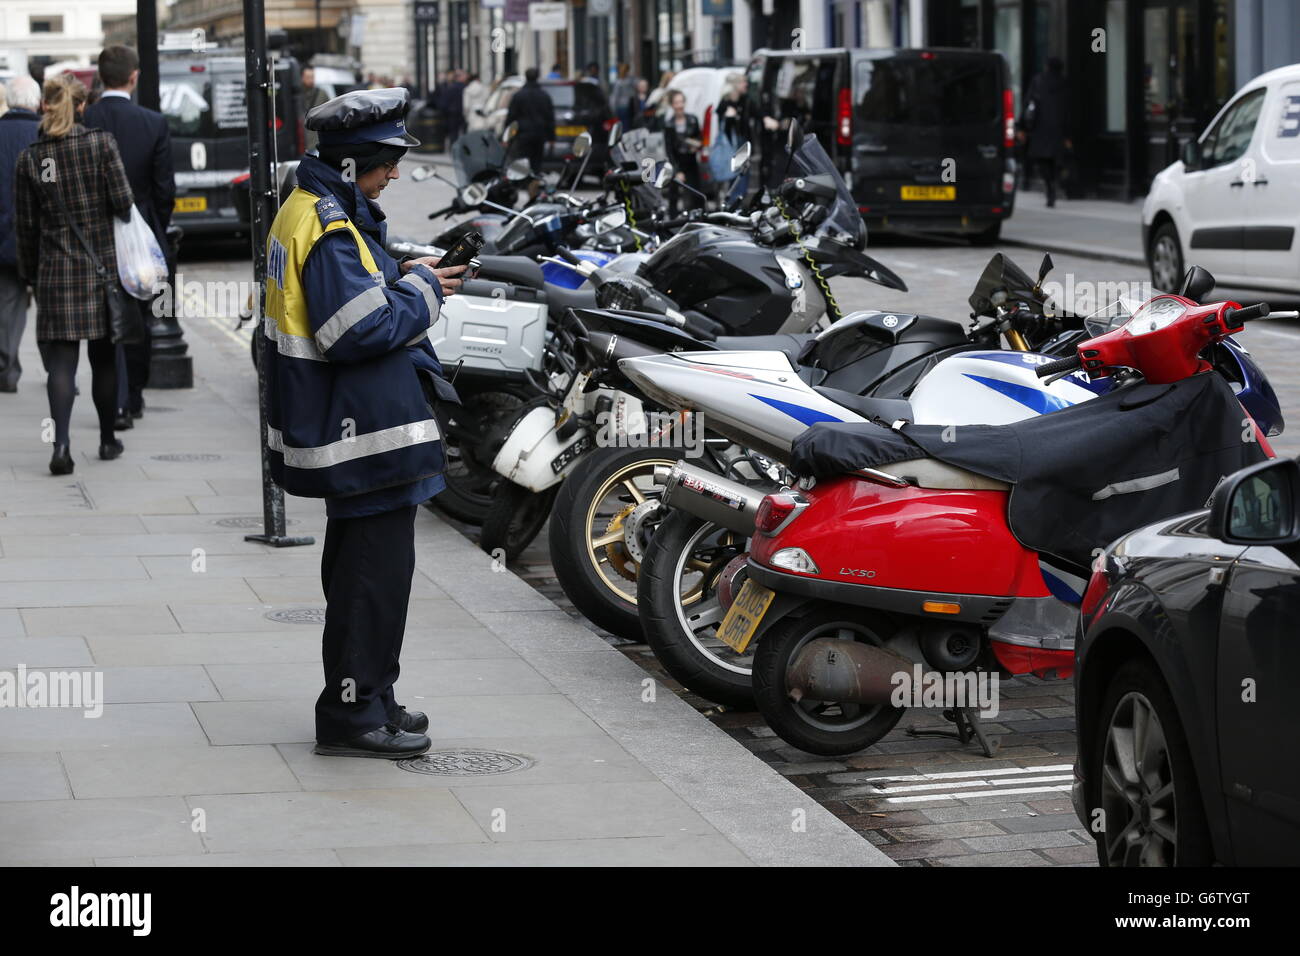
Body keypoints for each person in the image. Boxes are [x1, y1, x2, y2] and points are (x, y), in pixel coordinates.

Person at [265, 88, 466, 758]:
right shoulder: (323, 222)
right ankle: (351, 715)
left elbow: (352, 293)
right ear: (354, 165)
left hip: (355, 433)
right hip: (360, 437)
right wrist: (423, 290)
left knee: (371, 575)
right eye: (387, 163)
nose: (395, 175)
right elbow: (355, 329)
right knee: (369, 582)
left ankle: (373, 695)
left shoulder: (317, 209)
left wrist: (395, 270)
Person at [15, 75, 134, 473]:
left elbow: (26, 227)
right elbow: (122, 203)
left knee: (61, 366)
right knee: (104, 360)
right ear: (83, 106)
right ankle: (106, 439)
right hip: (100, 271)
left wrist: (31, 276)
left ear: (43, 107)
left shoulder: (31, 158)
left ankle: (61, 447)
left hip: (55, 274)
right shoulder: (101, 144)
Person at [83, 45, 175, 429]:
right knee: (140, 314)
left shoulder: (84, 119)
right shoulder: (153, 123)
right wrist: (153, 226)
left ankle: (113, 401)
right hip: (142, 232)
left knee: (101, 319)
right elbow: (165, 190)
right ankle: (133, 397)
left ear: (101, 77)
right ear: (134, 77)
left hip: (92, 236)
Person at [0, 77, 40, 393]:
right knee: (52, 309)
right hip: (43, 239)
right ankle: (59, 369)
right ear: (37, 102)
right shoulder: (46, 136)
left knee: (8, 307)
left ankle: (6, 371)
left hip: (3, 238)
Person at [1022, 57, 1071, 208]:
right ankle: (1054, 184)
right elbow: (1069, 109)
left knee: (1043, 161)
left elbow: (1029, 104)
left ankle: (1050, 188)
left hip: (1040, 129)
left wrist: (1023, 126)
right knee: (1056, 160)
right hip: (1058, 130)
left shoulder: (1038, 81)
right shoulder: (1065, 83)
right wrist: (1068, 134)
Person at [505, 67, 555, 176]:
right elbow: (549, 117)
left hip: (523, 134)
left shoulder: (518, 96)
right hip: (539, 134)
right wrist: (551, 138)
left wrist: (507, 136)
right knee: (536, 161)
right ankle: (534, 182)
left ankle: (523, 181)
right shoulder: (544, 96)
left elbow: (511, 117)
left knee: (522, 160)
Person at [660, 89, 702, 212]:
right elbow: (669, 150)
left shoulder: (692, 120)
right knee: (674, 196)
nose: (680, 106)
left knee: (695, 195)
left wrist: (696, 145)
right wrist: (677, 171)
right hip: (677, 162)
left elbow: (699, 138)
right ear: (672, 105)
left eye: (682, 102)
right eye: (677, 103)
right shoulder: (669, 124)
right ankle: (673, 225)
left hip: (691, 162)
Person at [299, 67, 329, 152]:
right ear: (302, 78)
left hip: (316, 142)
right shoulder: (296, 95)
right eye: (308, 77)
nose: (311, 80)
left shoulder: (322, 94)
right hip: (300, 141)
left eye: (312, 77)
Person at [609, 63, 636, 129]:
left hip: (622, 105)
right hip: (628, 104)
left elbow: (615, 96)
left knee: (623, 125)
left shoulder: (619, 81)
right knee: (628, 124)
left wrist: (613, 108)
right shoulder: (629, 81)